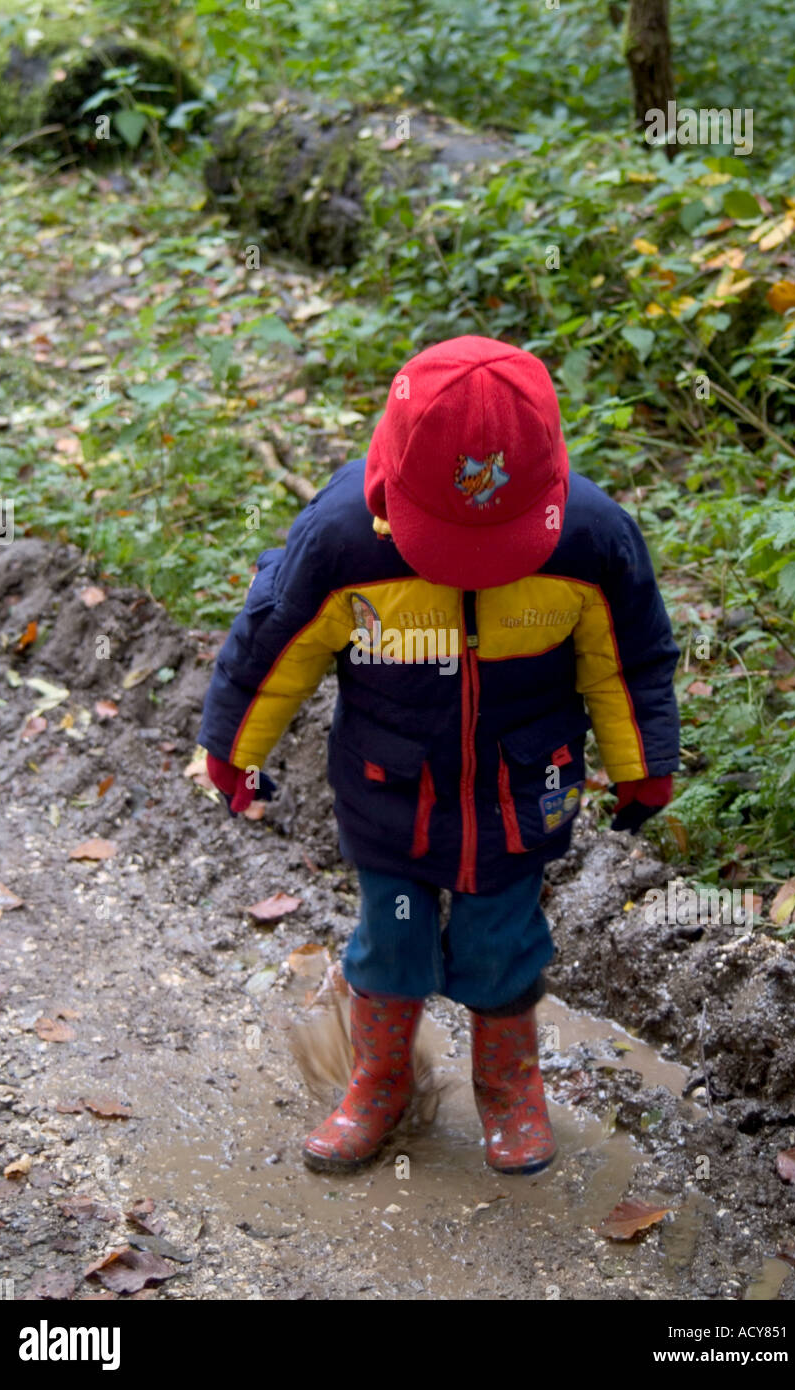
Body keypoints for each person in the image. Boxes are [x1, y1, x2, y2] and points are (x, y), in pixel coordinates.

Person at [199, 335, 680, 1176]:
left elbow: (628, 659)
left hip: (522, 789)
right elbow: (273, 647)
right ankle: (379, 1081)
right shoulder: (343, 537)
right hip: (392, 788)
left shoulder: (591, 539)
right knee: (391, 940)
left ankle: (508, 1086)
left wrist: (640, 763)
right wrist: (234, 750)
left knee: (502, 942)